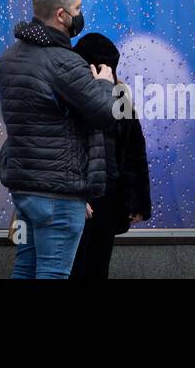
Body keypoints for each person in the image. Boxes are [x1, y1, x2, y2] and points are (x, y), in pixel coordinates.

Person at [0, 0, 116, 279]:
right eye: (78, 8)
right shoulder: (64, 62)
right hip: (59, 193)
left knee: (25, 268)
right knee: (53, 273)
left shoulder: (9, 59)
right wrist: (104, 84)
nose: (81, 15)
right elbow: (105, 113)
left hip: (24, 189)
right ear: (62, 15)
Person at [69, 33, 151, 279]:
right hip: (82, 195)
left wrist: (137, 201)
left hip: (105, 196)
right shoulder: (72, 94)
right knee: (78, 267)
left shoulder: (119, 96)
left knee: (95, 266)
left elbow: (132, 147)